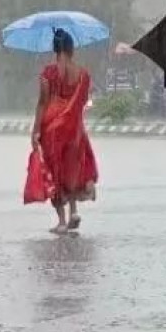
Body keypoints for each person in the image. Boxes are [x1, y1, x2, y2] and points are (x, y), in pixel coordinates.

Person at [32, 29, 99, 235]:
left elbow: (43, 103)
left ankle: (61, 221)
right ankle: (74, 211)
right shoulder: (83, 75)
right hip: (75, 129)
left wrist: (35, 129)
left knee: (55, 172)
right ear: (71, 48)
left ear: (55, 48)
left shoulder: (49, 73)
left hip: (52, 129)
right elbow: (82, 103)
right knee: (73, 168)